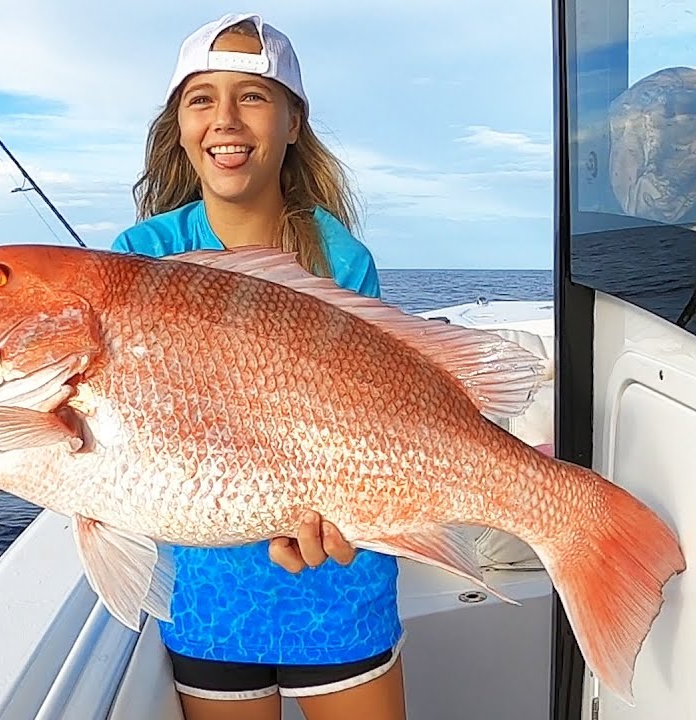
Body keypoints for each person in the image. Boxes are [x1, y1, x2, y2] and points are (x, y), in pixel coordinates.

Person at [107, 13, 407, 720]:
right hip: (211, 597)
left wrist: (346, 511)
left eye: (253, 95)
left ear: (293, 122)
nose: (225, 119)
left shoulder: (341, 261)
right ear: (179, 125)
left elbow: (374, 422)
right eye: (201, 98)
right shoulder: (139, 252)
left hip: (338, 581)